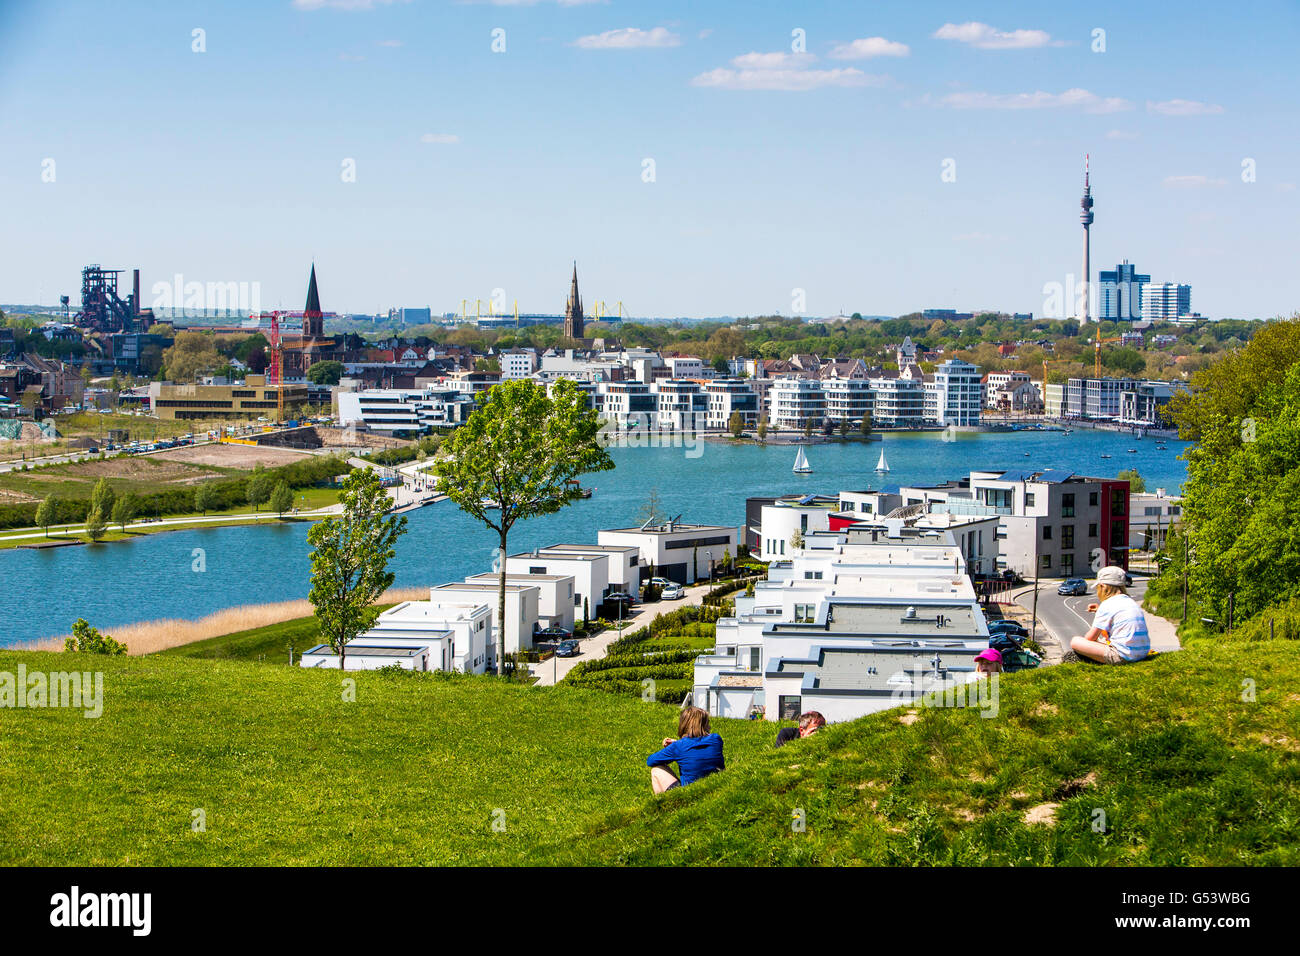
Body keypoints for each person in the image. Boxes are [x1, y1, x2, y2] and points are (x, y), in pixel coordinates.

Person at [1068, 566, 1151, 664]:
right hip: (1142, 652)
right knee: (1104, 640)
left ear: (1103, 586)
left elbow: (1090, 638)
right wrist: (1099, 610)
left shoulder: (1107, 605)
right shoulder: (1130, 601)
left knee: (1075, 641)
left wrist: (1100, 611)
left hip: (1123, 656)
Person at [646, 706, 725, 793]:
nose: (709, 727)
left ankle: (664, 802)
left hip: (690, 792)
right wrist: (677, 744)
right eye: (707, 723)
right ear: (703, 726)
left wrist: (672, 748)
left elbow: (650, 761)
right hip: (717, 787)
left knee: (656, 769)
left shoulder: (678, 746)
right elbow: (696, 747)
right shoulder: (716, 739)